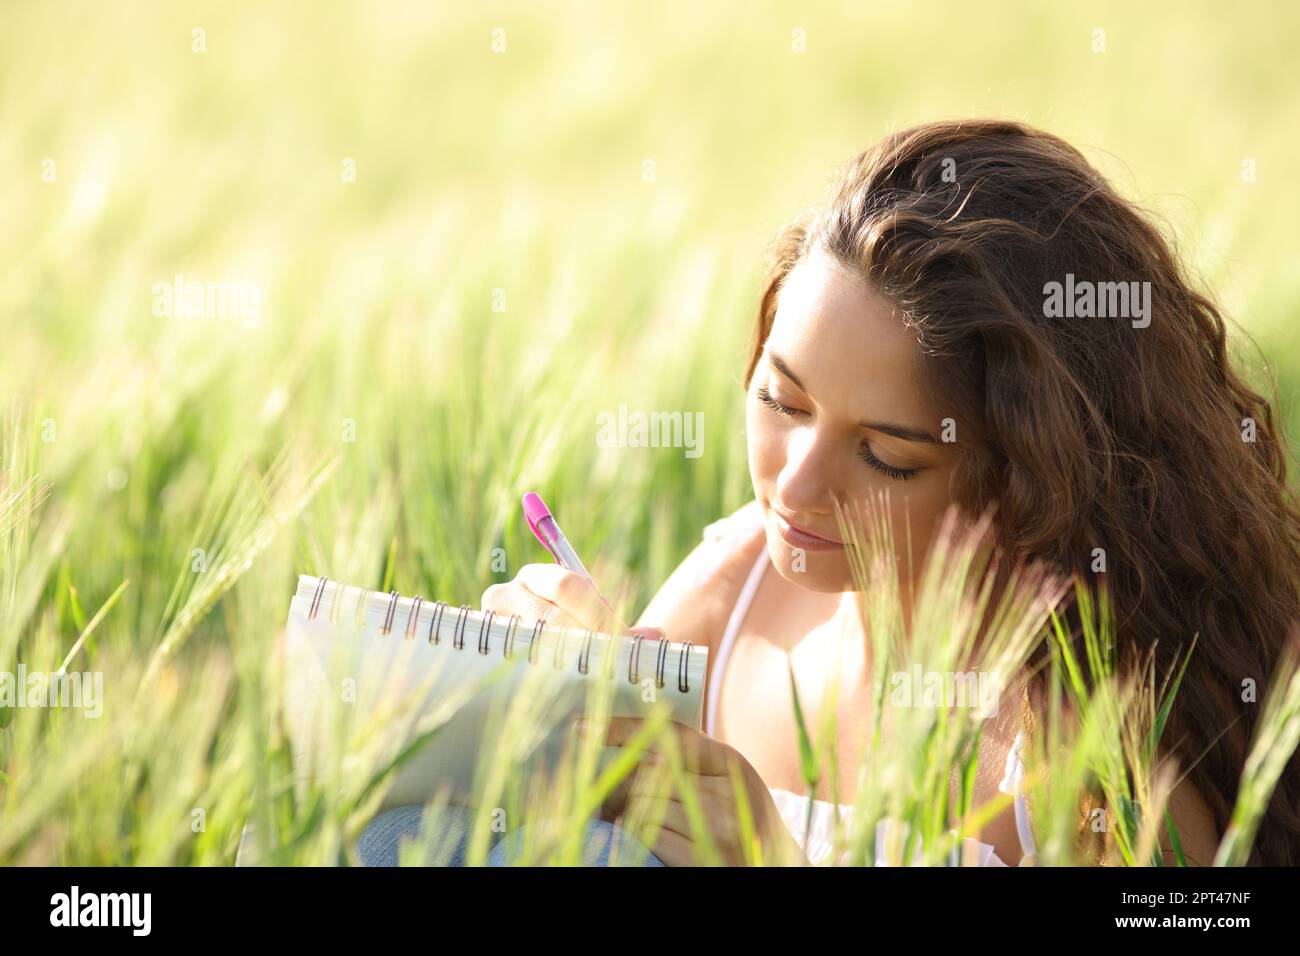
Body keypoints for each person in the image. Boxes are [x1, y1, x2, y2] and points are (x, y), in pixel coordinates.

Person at [364, 119, 1300, 866]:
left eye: (887, 456)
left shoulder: (1099, 744)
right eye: (780, 400)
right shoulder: (732, 592)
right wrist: (539, 709)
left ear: (1032, 475)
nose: (797, 484)